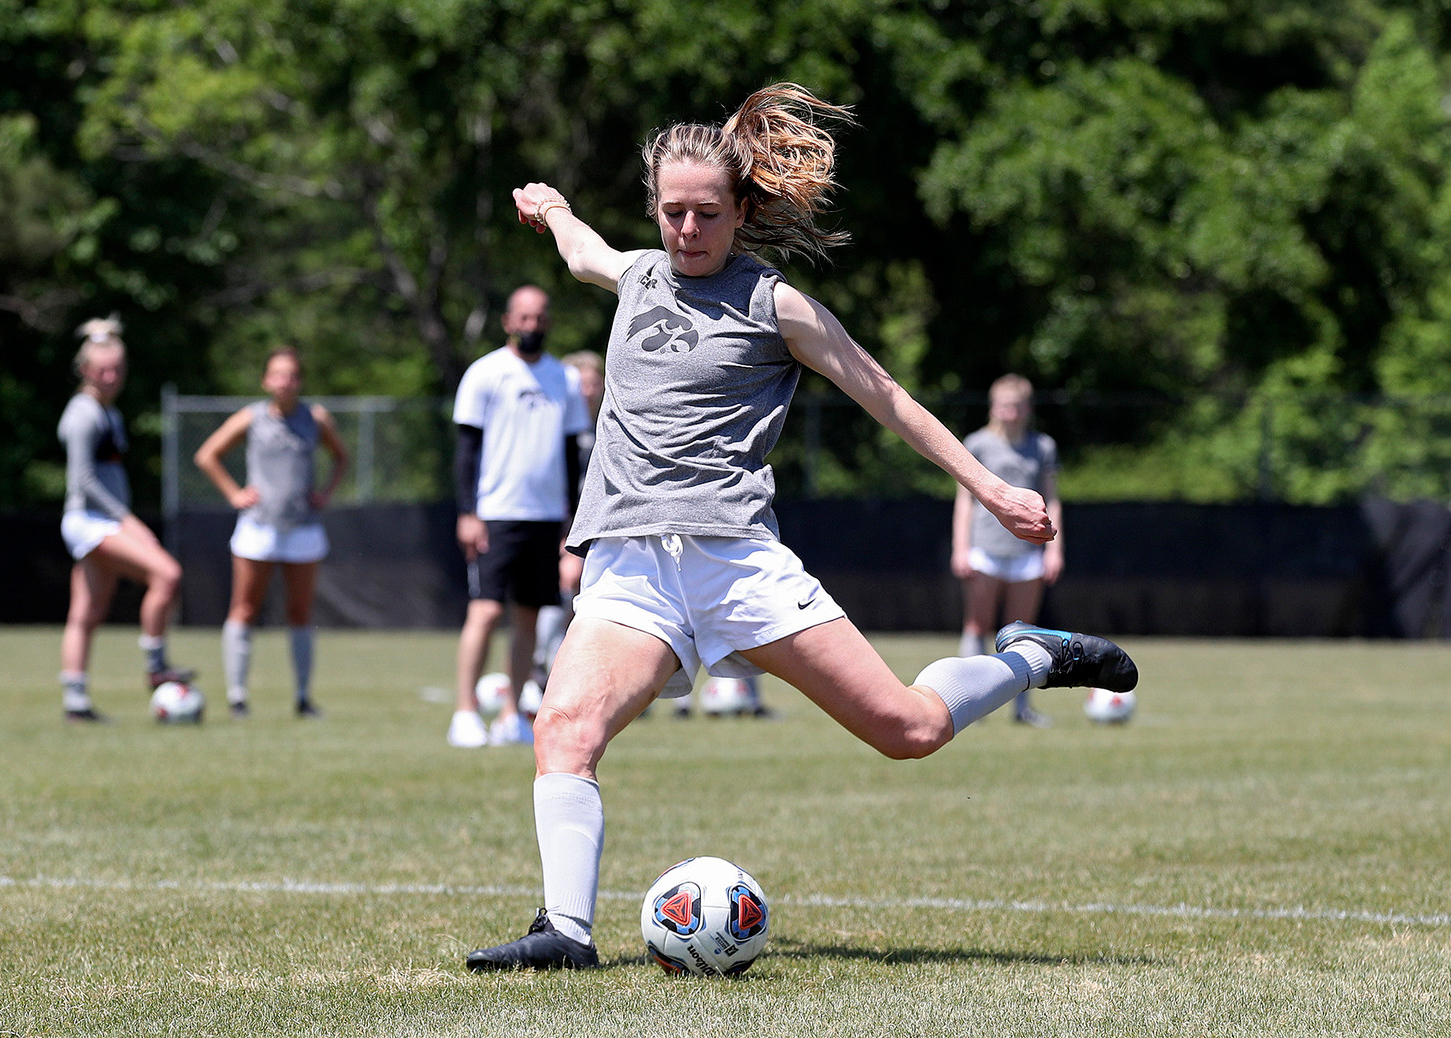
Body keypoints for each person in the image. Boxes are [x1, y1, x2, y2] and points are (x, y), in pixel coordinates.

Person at [464, 83, 1138, 971]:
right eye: (672, 212)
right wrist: (551, 207)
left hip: (738, 563)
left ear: (742, 210)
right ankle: (566, 932)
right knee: (564, 730)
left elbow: (886, 397)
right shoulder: (634, 275)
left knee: (909, 730)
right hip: (631, 566)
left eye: (708, 213)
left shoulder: (775, 305)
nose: (688, 230)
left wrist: (990, 491)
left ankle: (1030, 657)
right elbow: (583, 249)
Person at [447, 286, 591, 749]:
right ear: (509, 321)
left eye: (539, 318)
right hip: (495, 514)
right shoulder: (485, 373)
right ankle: (465, 713)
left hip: (546, 517)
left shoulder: (563, 379)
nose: (531, 325)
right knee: (486, 610)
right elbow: (467, 450)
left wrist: (569, 522)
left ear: (548, 322)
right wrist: (468, 512)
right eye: (523, 317)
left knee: (529, 617)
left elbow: (572, 455)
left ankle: (511, 714)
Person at [192, 346, 348, 719]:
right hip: (258, 528)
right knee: (244, 609)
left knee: (300, 612)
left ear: (300, 380)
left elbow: (341, 457)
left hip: (302, 528)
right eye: (277, 374)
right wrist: (234, 493)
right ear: (265, 380)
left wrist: (325, 493)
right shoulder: (252, 417)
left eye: (292, 375)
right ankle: (237, 697)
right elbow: (206, 455)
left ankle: (303, 698)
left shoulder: (316, 418)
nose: (285, 382)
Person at [57, 316, 194, 722]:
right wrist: (128, 521)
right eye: (101, 370)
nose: (110, 376)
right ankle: (156, 666)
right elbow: (82, 479)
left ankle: (75, 703)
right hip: (90, 520)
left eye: (116, 369)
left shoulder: (109, 413)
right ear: (85, 371)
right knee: (167, 574)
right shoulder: (82, 414)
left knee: (87, 611)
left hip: (103, 521)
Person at [951, 374, 1065, 727]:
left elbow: (1053, 500)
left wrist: (1054, 550)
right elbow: (964, 501)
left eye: (1015, 406)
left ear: (1027, 409)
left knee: (1022, 631)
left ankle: (1021, 708)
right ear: (992, 407)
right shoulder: (978, 443)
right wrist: (961, 548)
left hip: (1027, 552)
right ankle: (968, 704)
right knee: (978, 623)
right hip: (985, 548)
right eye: (1002, 405)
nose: (1009, 413)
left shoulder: (1042, 447)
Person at [531, 349, 605, 697]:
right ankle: (539, 668)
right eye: (582, 383)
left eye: (595, 382)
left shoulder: (613, 424)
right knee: (562, 590)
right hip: (566, 528)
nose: (589, 390)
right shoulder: (556, 428)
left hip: (606, 528)